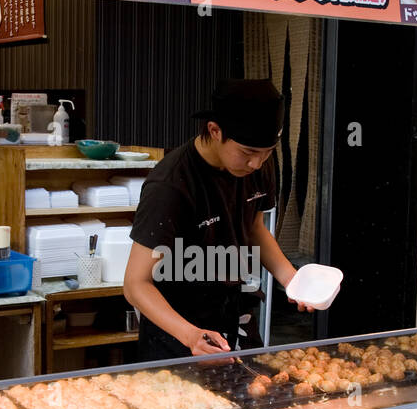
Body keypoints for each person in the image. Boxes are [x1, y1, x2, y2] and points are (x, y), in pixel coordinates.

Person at [124, 78, 310, 361]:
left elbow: (253, 227)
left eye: (267, 153)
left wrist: (291, 279)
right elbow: (135, 284)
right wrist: (190, 335)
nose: (257, 164)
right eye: (248, 152)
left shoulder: (257, 163)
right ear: (214, 130)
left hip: (232, 310)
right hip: (177, 326)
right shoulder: (171, 185)